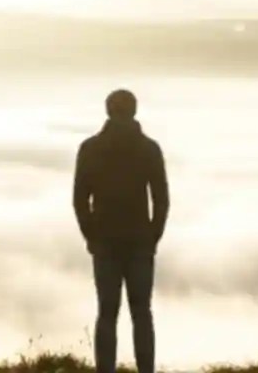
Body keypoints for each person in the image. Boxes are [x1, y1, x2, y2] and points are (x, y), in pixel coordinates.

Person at [73, 89, 169, 373]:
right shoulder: (149, 148)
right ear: (134, 111)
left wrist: (91, 236)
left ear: (107, 111)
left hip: (105, 241)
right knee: (142, 312)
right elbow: (161, 199)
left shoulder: (90, 148)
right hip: (139, 240)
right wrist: (153, 236)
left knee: (107, 312)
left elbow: (80, 198)